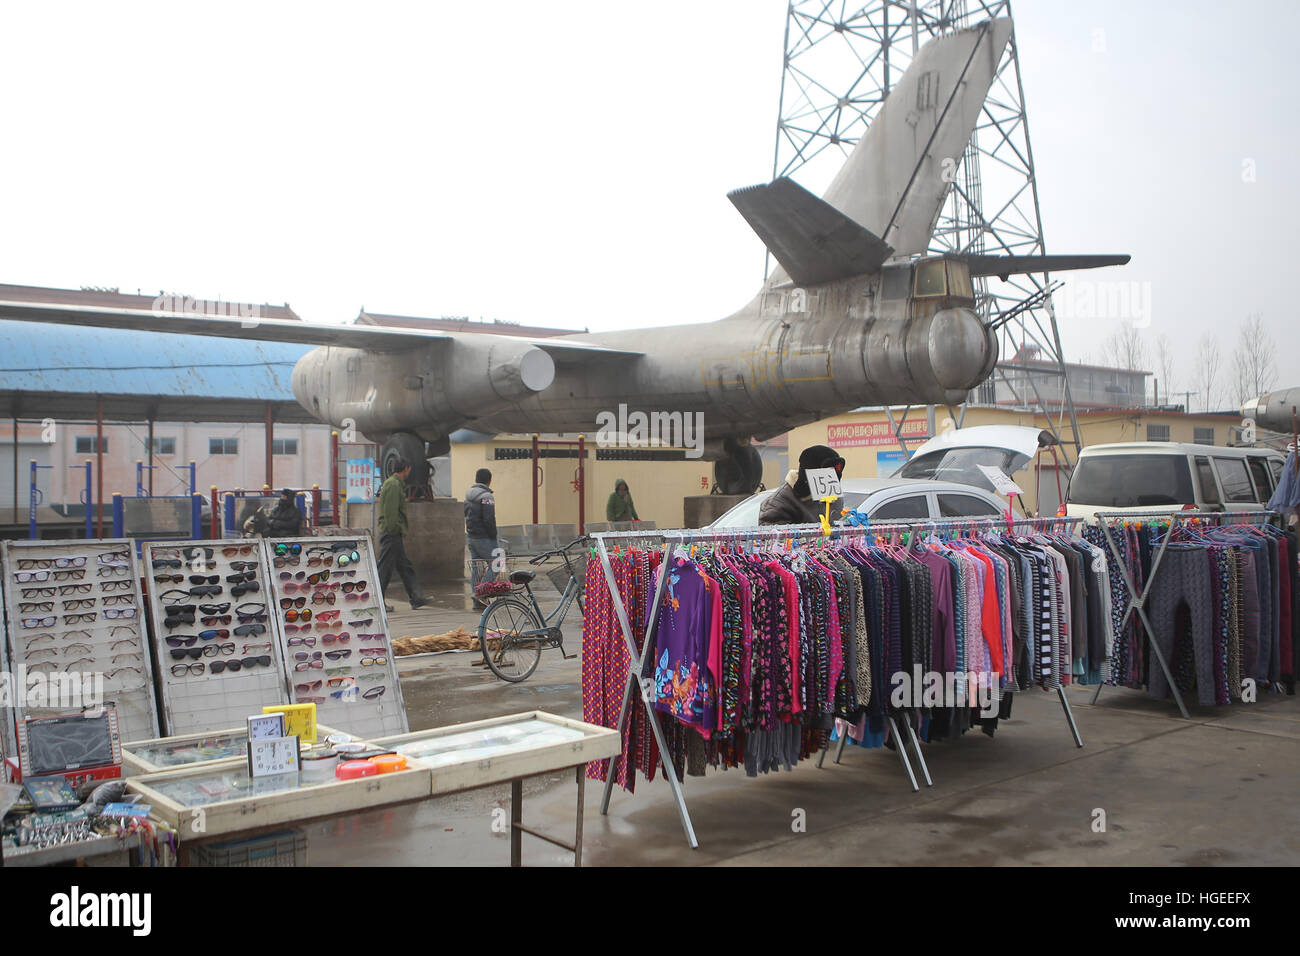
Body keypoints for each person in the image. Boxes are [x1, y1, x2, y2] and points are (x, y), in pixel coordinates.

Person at [377, 459, 429, 612]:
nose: (409, 472)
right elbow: (391, 512)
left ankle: (416, 597)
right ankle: (378, 602)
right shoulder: (393, 485)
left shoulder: (394, 484)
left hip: (394, 532)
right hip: (391, 532)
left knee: (404, 566)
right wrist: (395, 529)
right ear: (406, 469)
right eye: (409, 470)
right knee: (385, 569)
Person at [759, 444, 845, 526]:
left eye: (832, 476)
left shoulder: (833, 497)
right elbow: (776, 538)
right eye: (827, 474)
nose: (830, 481)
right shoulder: (778, 504)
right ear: (811, 475)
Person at [465, 468, 499, 605]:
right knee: (497, 563)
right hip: (484, 537)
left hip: (471, 536)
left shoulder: (468, 495)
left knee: (477, 569)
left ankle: (477, 603)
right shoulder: (487, 497)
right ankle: (481, 593)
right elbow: (489, 519)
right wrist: (493, 536)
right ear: (489, 481)